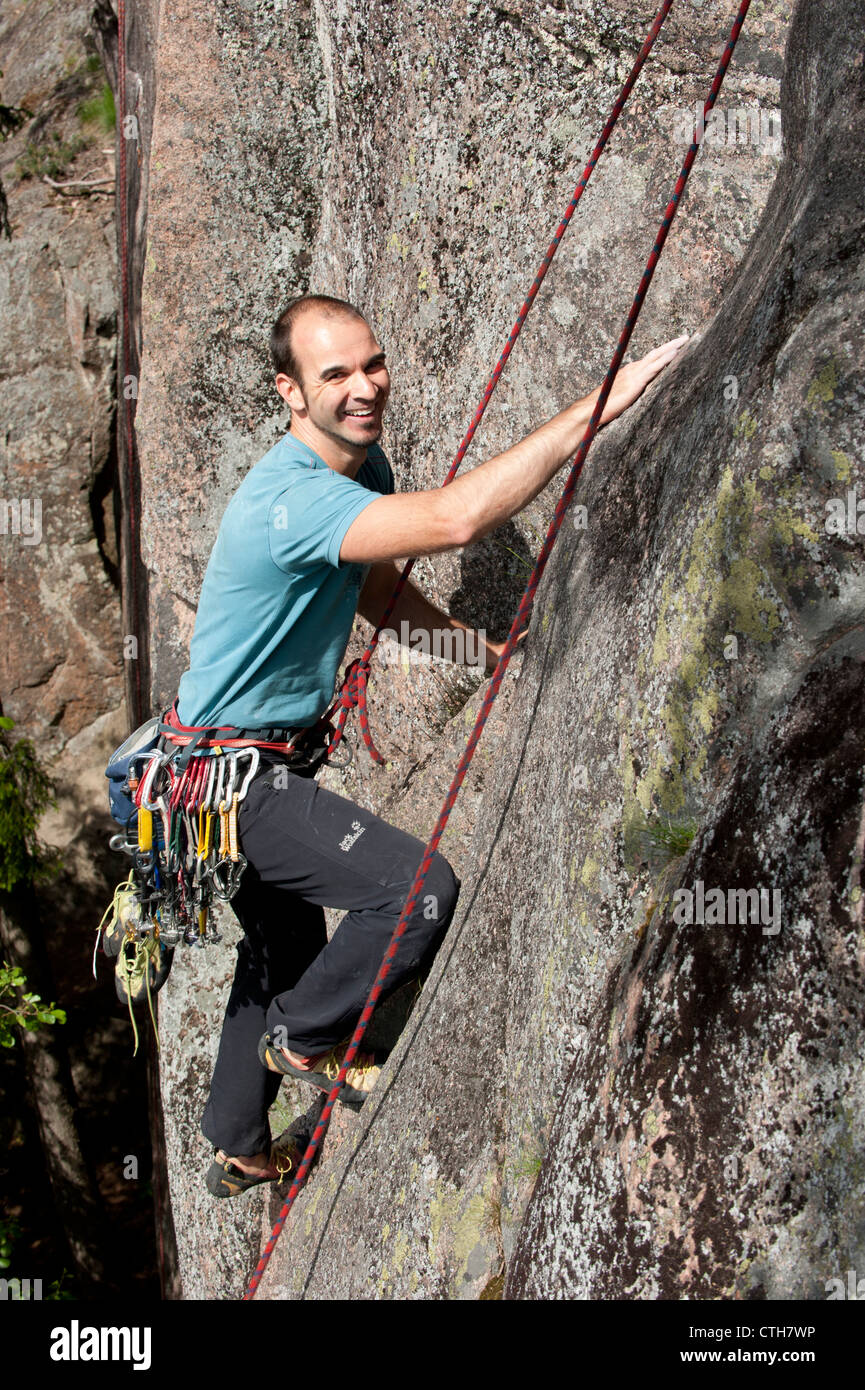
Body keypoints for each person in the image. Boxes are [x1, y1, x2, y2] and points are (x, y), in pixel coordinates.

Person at [175, 293, 687, 1196]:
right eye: (335, 374)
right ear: (288, 392)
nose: (365, 386)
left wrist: (469, 649)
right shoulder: (292, 501)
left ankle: (239, 1142)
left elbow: (372, 589)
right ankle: (305, 1041)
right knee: (413, 893)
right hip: (235, 780)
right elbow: (454, 521)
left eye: (372, 363)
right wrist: (596, 407)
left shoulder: (357, 475)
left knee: (279, 949)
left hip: (215, 772)